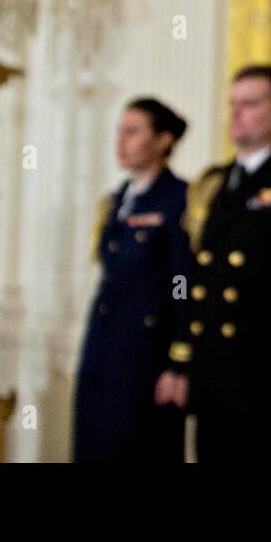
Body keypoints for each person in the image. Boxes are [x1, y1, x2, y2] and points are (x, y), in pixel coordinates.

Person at [156, 65, 271, 462]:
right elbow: (194, 278)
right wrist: (180, 362)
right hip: (214, 375)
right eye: (232, 104)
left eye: (250, 104)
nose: (236, 113)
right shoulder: (214, 183)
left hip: (266, 375)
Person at [74, 97, 191, 462]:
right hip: (103, 348)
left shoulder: (179, 199)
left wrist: (179, 361)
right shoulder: (118, 200)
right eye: (119, 132)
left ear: (163, 140)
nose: (120, 142)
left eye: (132, 132)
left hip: (146, 354)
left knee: (137, 448)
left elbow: (182, 282)